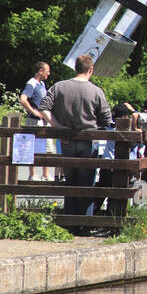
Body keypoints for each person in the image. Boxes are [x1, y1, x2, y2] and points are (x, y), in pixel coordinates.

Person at [38, 54, 114, 231]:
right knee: (87, 185)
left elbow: (43, 107)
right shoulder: (96, 91)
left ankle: (69, 225)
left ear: (75, 68)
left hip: (66, 140)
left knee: (70, 182)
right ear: (91, 69)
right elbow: (106, 119)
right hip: (89, 141)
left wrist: (58, 126)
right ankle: (84, 226)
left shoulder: (59, 87)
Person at [18, 61, 54, 182]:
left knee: (48, 148)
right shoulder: (32, 83)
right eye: (47, 70)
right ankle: (33, 175)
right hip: (34, 120)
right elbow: (23, 99)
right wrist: (33, 111)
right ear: (40, 71)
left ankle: (45, 174)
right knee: (33, 148)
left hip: (44, 120)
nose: (48, 73)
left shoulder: (42, 84)